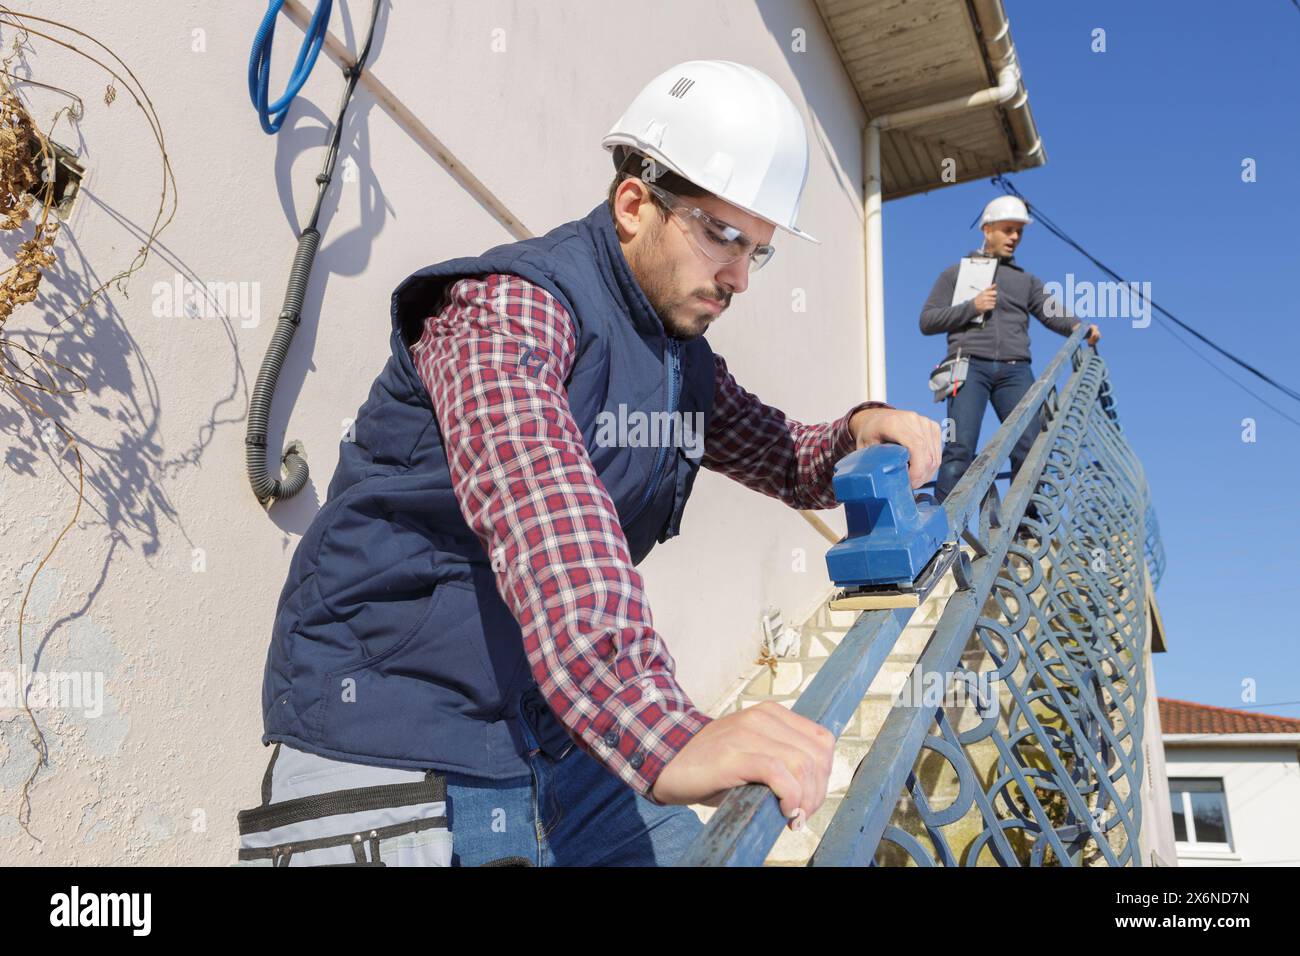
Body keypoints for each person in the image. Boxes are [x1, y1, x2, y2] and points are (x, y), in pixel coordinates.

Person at [236, 59, 942, 867]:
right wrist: (667, 734)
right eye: (722, 236)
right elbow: (543, 506)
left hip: (555, 745)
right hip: (393, 742)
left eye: (759, 251)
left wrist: (860, 429)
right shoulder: (510, 308)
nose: (740, 277)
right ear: (635, 204)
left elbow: (785, 452)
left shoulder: (679, 358)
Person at [919, 195, 1100, 515]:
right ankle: (941, 536)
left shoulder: (1025, 281)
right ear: (987, 230)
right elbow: (927, 320)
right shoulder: (957, 273)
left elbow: (1050, 312)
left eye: (1019, 231)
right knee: (960, 449)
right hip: (968, 366)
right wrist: (970, 308)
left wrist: (1079, 326)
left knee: (1031, 447)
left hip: (1015, 371)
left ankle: (1024, 532)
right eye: (1008, 230)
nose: (1015, 237)